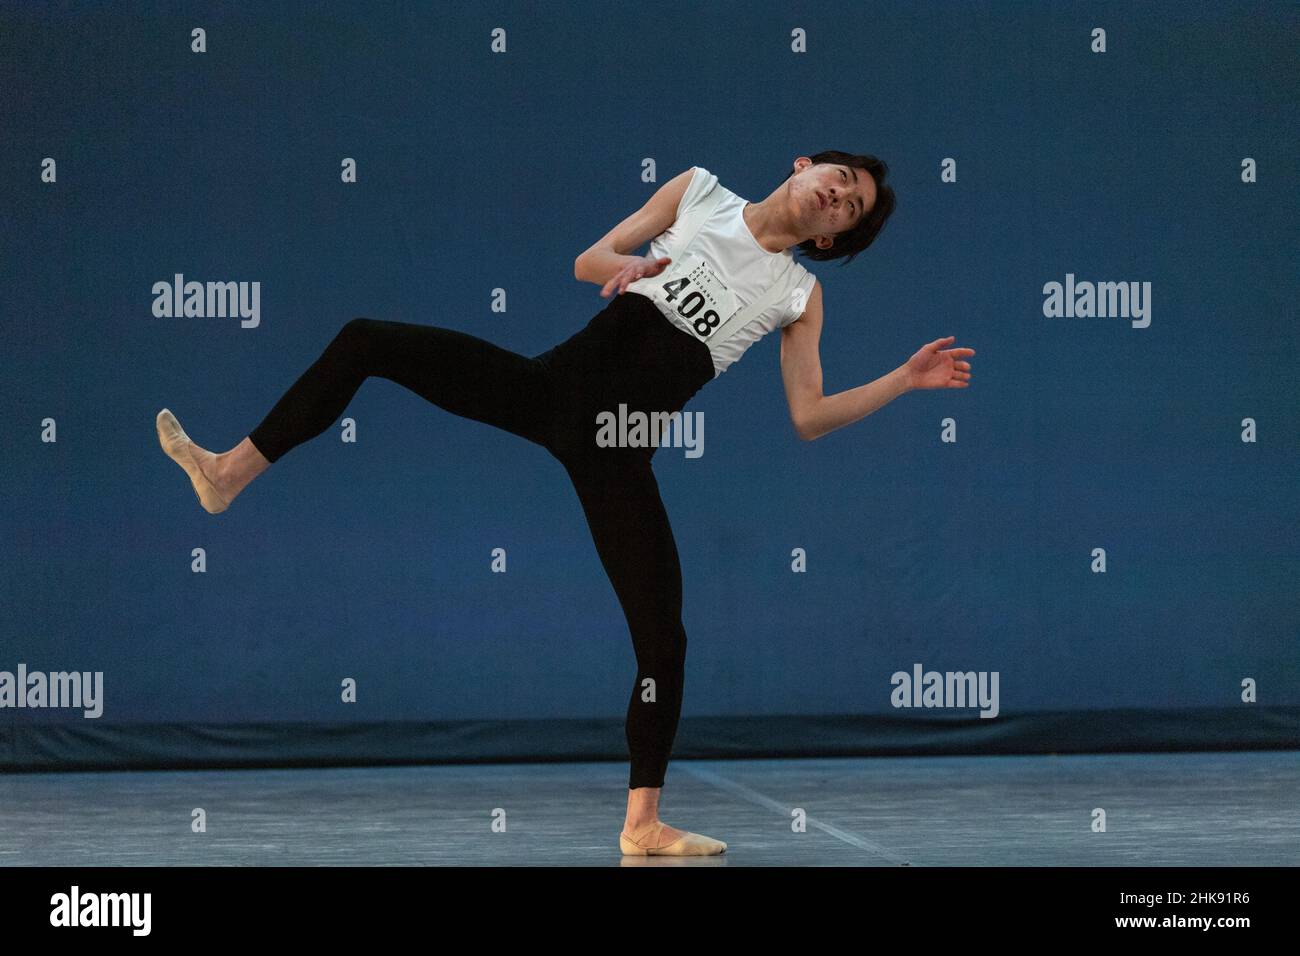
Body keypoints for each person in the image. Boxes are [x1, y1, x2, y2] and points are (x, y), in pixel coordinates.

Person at [157, 151, 974, 857]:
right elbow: (591, 256)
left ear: (832, 239)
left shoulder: (797, 292)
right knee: (368, 338)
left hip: (620, 447)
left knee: (665, 638)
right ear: (805, 166)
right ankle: (229, 473)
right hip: (552, 390)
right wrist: (632, 267)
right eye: (840, 180)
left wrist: (904, 381)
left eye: (852, 207)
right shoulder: (700, 192)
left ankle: (643, 825)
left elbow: (808, 417)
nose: (839, 196)